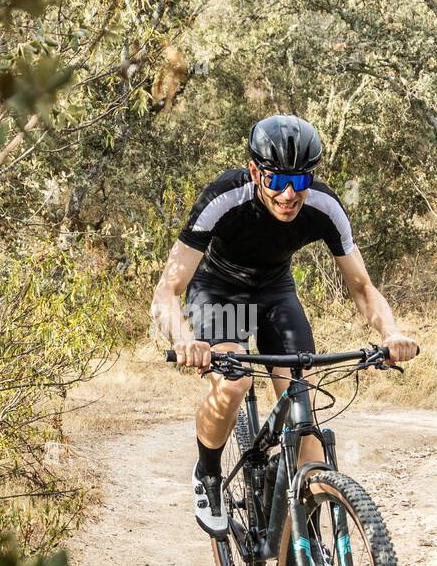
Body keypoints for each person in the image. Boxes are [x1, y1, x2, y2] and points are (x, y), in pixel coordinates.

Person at [151, 114, 419, 537]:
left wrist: (392, 334)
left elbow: (363, 287)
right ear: (256, 172)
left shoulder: (324, 206)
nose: (289, 194)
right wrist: (186, 341)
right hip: (220, 290)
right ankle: (207, 474)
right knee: (234, 379)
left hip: (275, 291)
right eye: (277, 181)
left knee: (303, 402)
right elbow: (167, 290)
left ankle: (311, 549)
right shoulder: (223, 198)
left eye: (300, 179)